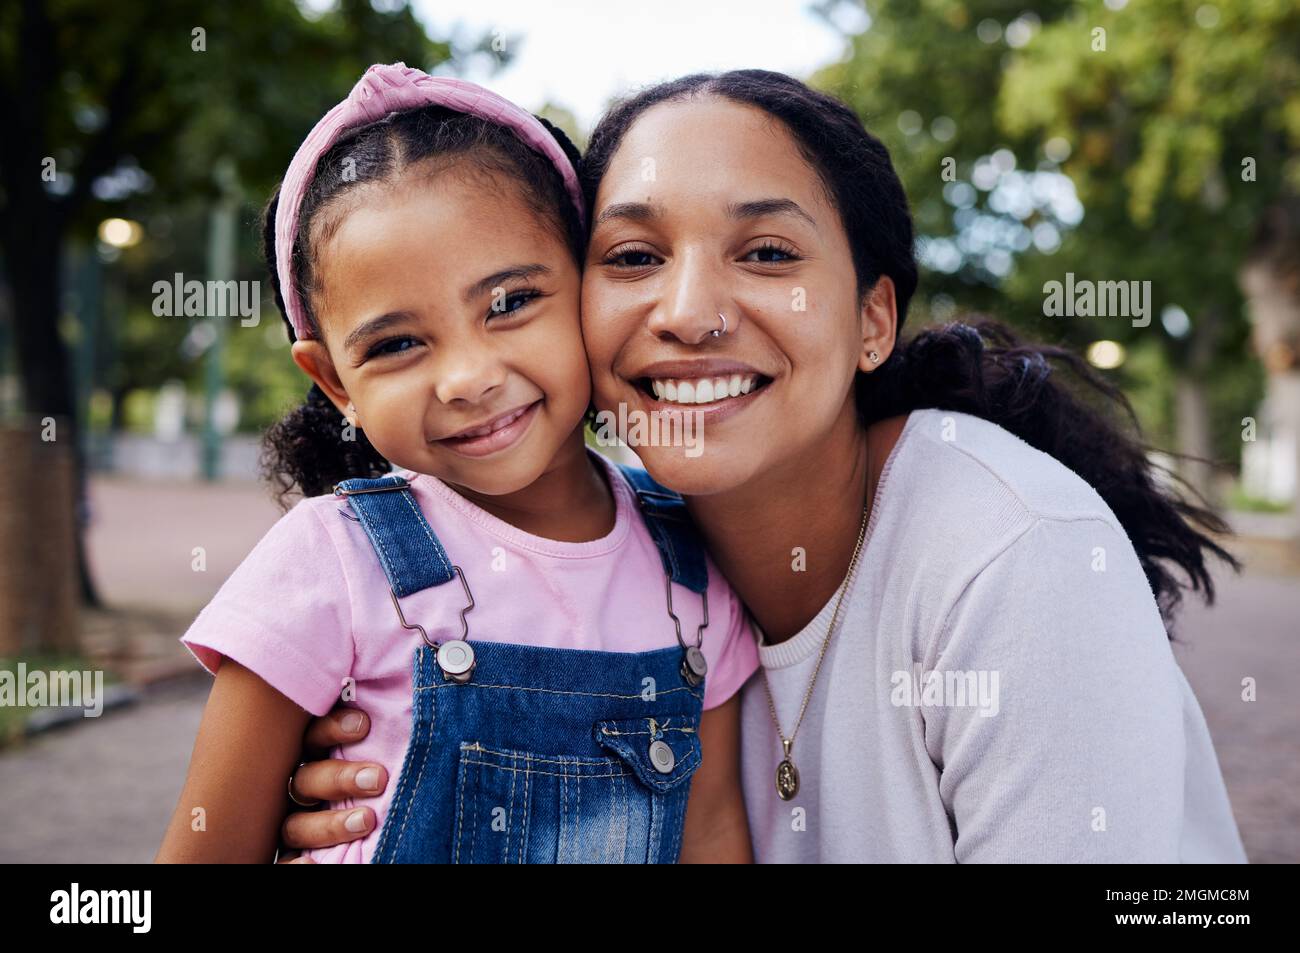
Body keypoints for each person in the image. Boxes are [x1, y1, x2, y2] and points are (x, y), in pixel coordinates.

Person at [282, 69, 1247, 863]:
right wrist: (370, 780)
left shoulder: (1017, 553)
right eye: (632, 256)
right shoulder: (616, 565)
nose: (690, 313)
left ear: (873, 319)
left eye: (769, 251)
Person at [155, 64, 758, 864]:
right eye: (397, 343)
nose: (469, 376)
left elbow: (711, 831)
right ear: (335, 382)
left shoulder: (692, 567)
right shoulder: (331, 557)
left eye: (510, 302)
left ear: (588, 287)